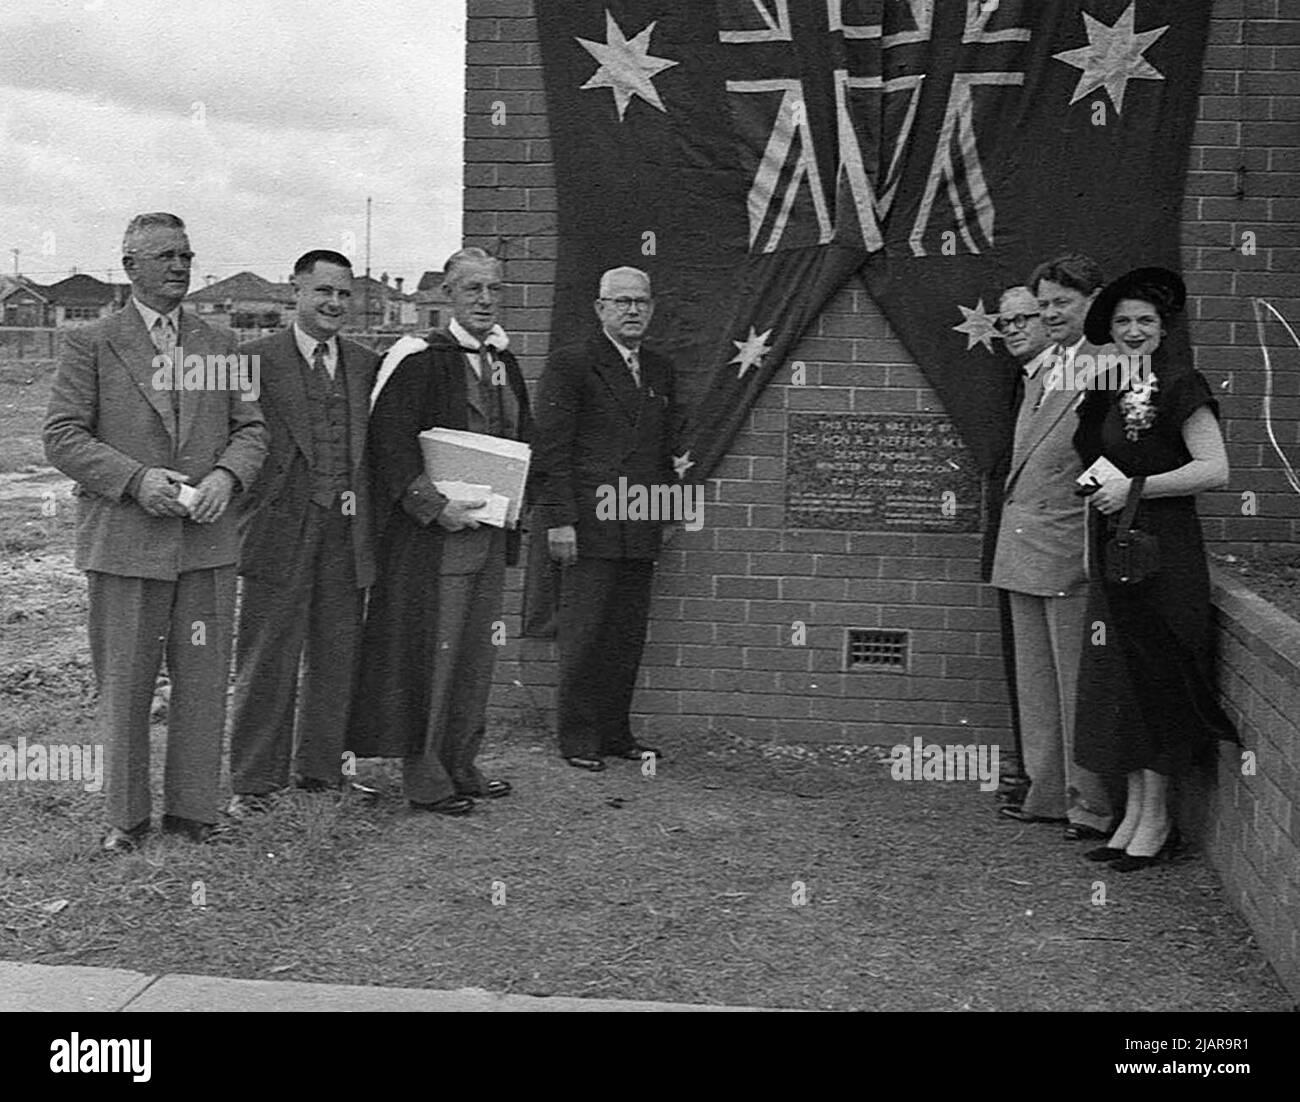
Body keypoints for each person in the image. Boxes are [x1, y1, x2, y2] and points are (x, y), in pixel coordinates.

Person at [43, 212, 267, 851]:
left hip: (205, 543)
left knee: (202, 678)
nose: (179, 266)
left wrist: (227, 476)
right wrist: (137, 480)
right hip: (125, 543)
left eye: (187, 255)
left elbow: (250, 430)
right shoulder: (93, 343)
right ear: (130, 266)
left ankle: (195, 811)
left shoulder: (219, 344)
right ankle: (128, 818)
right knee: (126, 684)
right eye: (165, 255)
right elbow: (61, 435)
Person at [347, 247, 531, 815]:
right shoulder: (420, 358)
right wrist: (432, 505)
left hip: (490, 531)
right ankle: (425, 777)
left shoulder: (502, 360)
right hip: (434, 539)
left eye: (493, 289)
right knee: (435, 654)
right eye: (472, 289)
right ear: (448, 294)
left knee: (476, 655)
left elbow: (524, 438)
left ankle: (461, 763)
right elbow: (390, 443)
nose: (484, 300)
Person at [1073, 267, 1238, 871]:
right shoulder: (1113, 387)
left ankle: (1160, 819)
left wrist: (1136, 488)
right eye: (1123, 321)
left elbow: (1215, 469)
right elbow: (1102, 459)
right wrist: (1098, 482)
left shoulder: (1180, 384)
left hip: (1164, 554)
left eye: (1145, 320)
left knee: (1159, 678)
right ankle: (1137, 813)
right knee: (1127, 680)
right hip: (1120, 551)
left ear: (1164, 327)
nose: (1134, 330)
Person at [225, 251, 378, 817]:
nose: (335, 303)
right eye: (323, 292)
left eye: (343, 293)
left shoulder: (366, 362)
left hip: (347, 527)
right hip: (278, 528)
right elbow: (229, 438)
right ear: (296, 291)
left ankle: (323, 771)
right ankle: (254, 783)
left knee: (338, 653)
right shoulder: (253, 359)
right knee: (267, 655)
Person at [530, 266, 683, 771]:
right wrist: (559, 520)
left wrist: (664, 513)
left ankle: (617, 733)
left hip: (638, 523)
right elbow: (551, 450)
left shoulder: (659, 369)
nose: (632, 310)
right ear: (600, 309)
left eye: (641, 301)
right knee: (585, 633)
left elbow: (664, 451)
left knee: (625, 636)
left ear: (652, 308)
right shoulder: (571, 364)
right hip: (588, 526)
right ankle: (578, 739)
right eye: (621, 302)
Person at [990, 253, 1113, 840]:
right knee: (1038, 683)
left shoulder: (1109, 365)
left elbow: (1116, 454)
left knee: (1075, 683)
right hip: (1024, 542)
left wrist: (1087, 508)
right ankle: (1048, 794)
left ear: (1093, 302)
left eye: (1063, 302)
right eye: (1044, 304)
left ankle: (1090, 804)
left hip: (1069, 544)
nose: (1051, 313)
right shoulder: (1043, 370)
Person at [981, 285, 1052, 805]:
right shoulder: (1021, 381)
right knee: (1024, 662)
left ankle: (1049, 779)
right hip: (1016, 536)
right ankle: (1036, 772)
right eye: (1004, 323)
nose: (1013, 330)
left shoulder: (1067, 378)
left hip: (1054, 542)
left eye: (1022, 319)